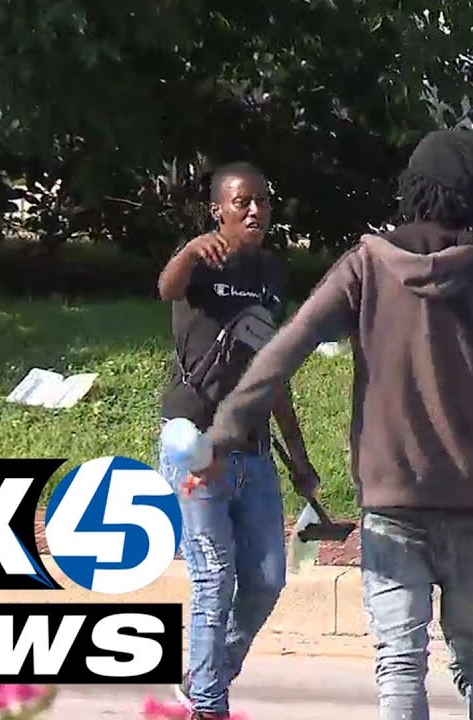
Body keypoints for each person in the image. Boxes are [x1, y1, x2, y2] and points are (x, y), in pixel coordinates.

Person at [188, 128, 473, 720]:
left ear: (413, 187)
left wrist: (221, 434)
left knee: (400, 661)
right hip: (471, 499)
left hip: (392, 499)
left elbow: (282, 350)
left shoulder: (367, 266)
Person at [155, 161, 320, 720]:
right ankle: (207, 705)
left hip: (252, 447)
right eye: (242, 201)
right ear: (218, 210)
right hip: (196, 444)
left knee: (268, 577)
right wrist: (192, 250)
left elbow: (271, 372)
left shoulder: (272, 273)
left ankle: (202, 679)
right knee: (213, 576)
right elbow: (166, 287)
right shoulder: (199, 263)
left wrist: (299, 459)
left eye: (263, 201)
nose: (254, 210)